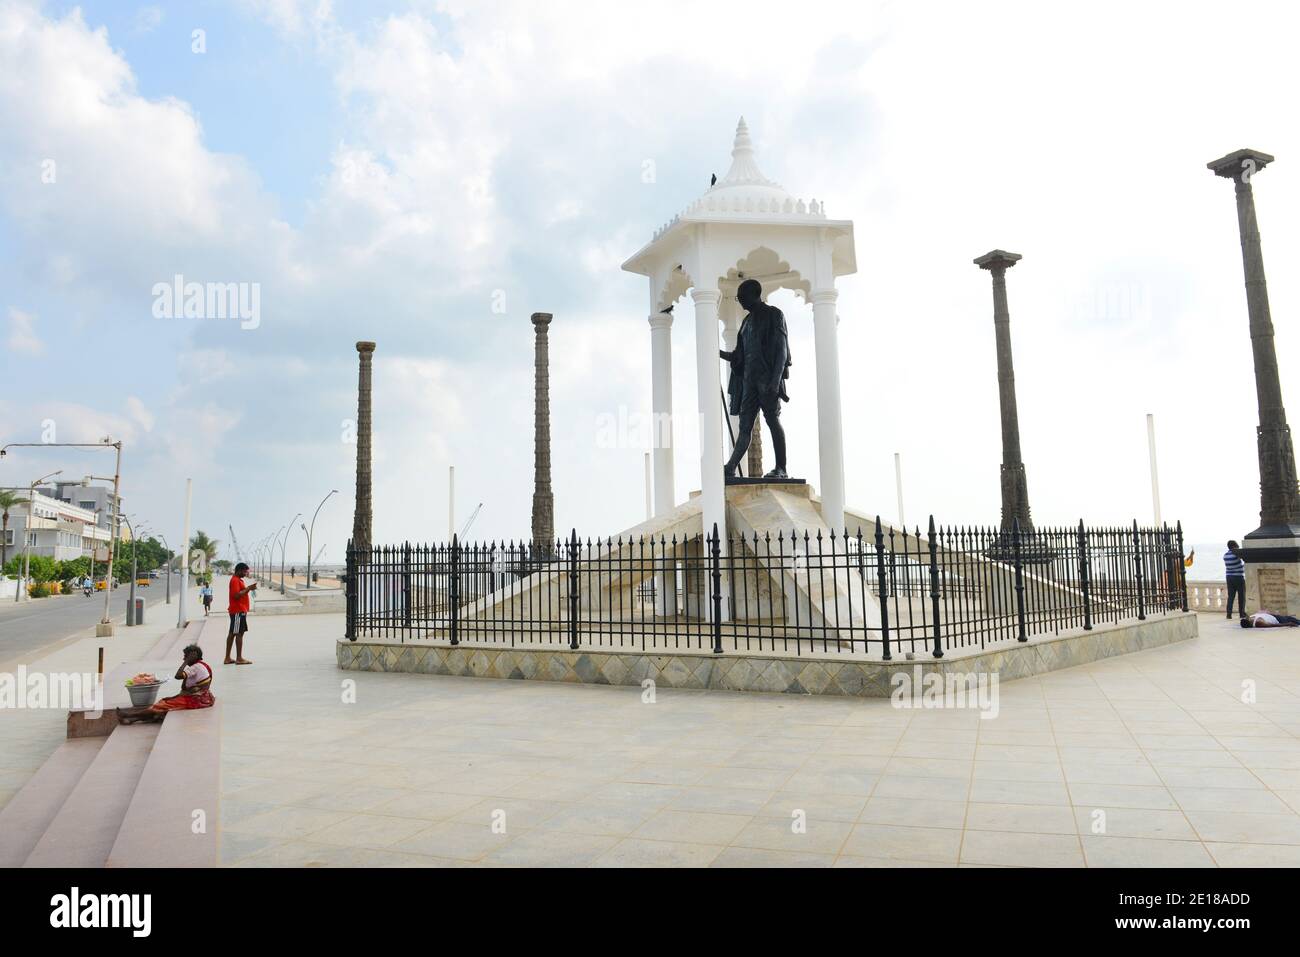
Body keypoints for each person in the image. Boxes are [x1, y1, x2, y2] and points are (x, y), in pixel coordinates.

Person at [720, 279, 792, 480]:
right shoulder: (746, 323)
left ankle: (781, 468)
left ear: (754, 294)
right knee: (744, 426)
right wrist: (715, 352)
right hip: (749, 383)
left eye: (741, 297)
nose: (740, 301)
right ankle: (730, 467)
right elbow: (738, 356)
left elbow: (782, 351)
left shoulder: (773, 315)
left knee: (772, 420)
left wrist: (775, 381)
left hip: (768, 379)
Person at [116, 644, 214, 724]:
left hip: (197, 700)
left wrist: (186, 662)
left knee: (160, 705)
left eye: (186, 656)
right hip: (203, 697)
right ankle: (131, 720)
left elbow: (178, 676)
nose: (183, 658)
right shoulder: (203, 665)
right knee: (162, 706)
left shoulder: (196, 667)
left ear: (193, 656)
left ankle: (128, 715)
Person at [226, 562, 257, 665]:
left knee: (233, 633)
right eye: (244, 571)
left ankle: (228, 658)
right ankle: (239, 658)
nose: (245, 573)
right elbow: (236, 595)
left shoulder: (237, 580)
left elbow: (240, 592)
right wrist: (249, 588)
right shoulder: (235, 580)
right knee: (239, 633)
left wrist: (248, 588)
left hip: (238, 610)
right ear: (239, 570)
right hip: (238, 611)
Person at [1223, 540, 1247, 619]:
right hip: (1238, 577)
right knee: (1241, 595)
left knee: (1231, 596)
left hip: (1229, 577)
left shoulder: (1225, 555)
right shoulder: (1236, 553)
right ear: (1235, 546)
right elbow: (1244, 558)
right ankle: (1242, 613)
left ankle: (1228, 614)